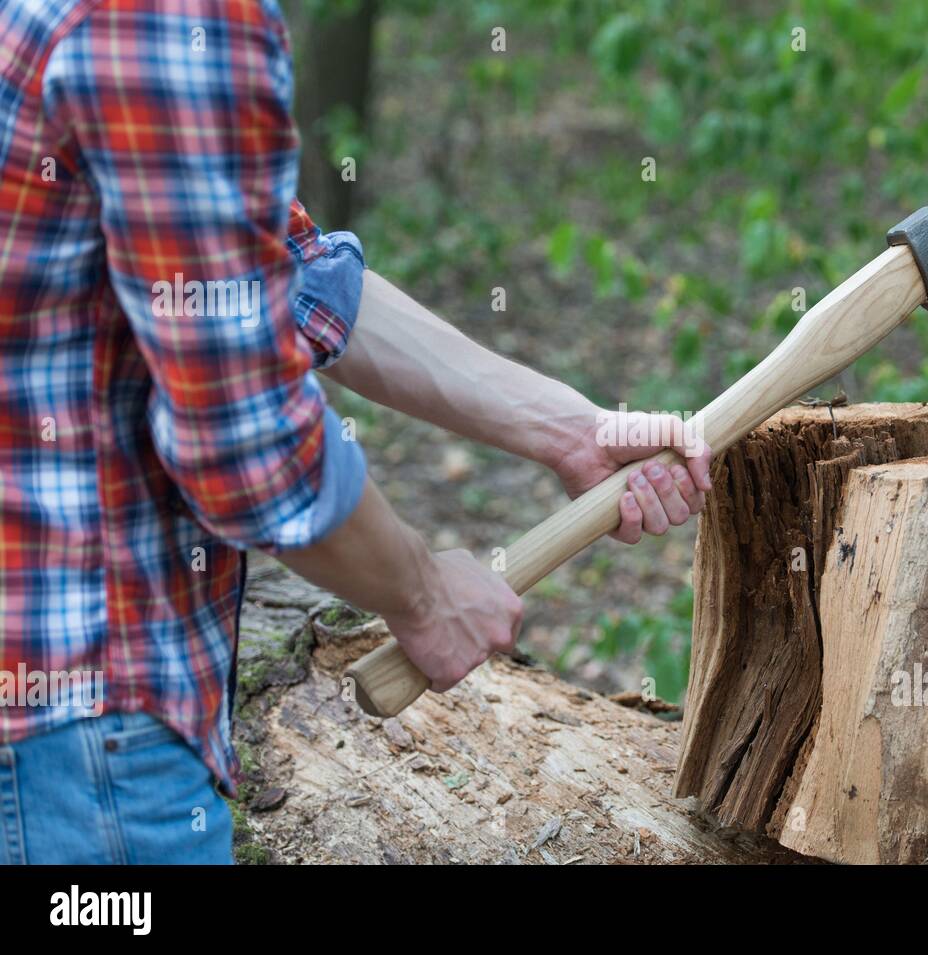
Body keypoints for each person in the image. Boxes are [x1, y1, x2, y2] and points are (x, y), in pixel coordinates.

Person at [0, 0, 711, 864]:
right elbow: (246, 442)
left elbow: (288, 276)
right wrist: (422, 592)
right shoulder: (165, 18)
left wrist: (572, 429)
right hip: (78, 740)